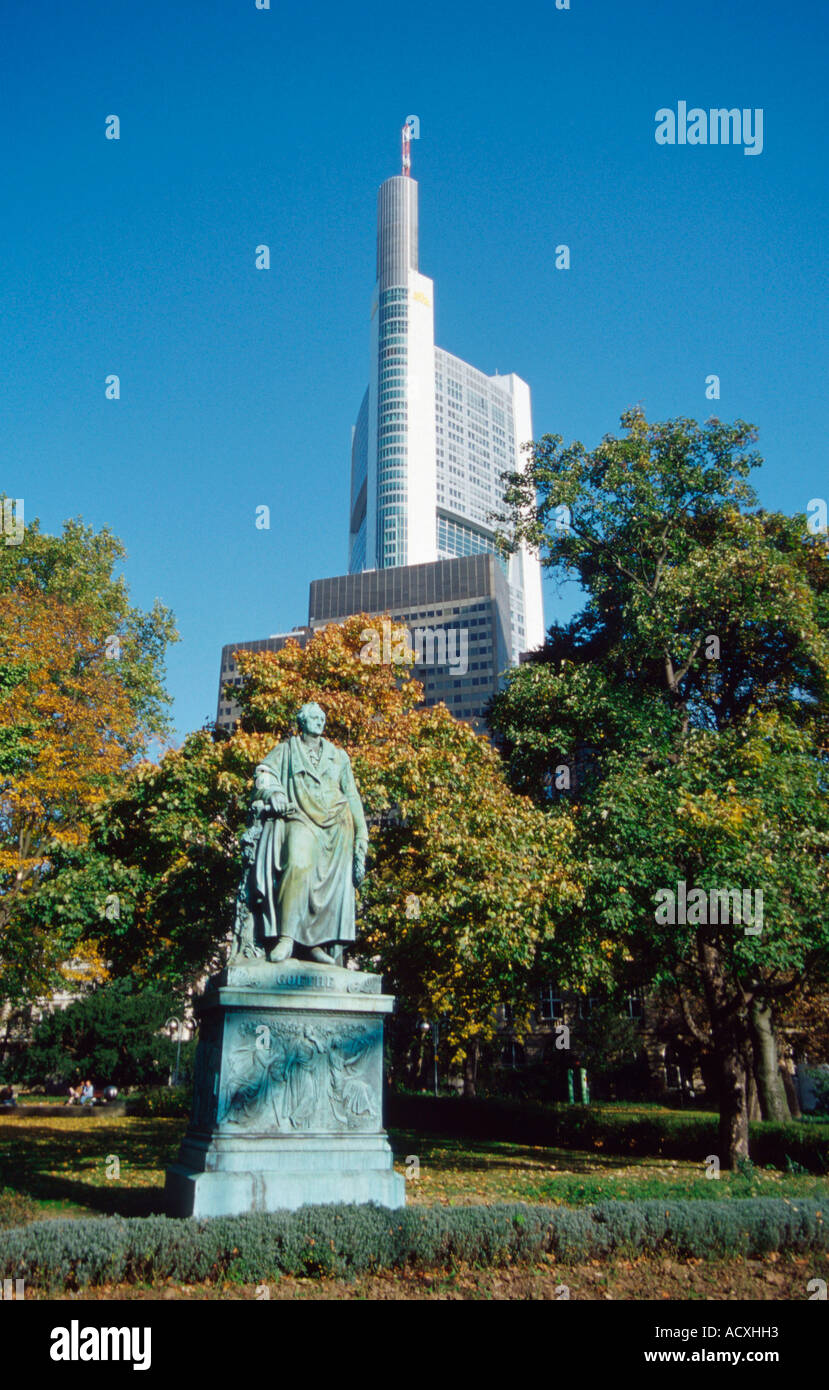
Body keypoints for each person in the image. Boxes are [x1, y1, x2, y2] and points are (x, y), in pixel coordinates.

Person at [250, 703, 368, 964]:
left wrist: (362, 834)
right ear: (301, 722)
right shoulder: (286, 750)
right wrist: (275, 793)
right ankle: (287, 937)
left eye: (322, 718)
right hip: (300, 817)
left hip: (337, 826)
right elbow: (263, 775)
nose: (319, 721)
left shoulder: (339, 756)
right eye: (314, 717)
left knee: (330, 884)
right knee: (299, 864)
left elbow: (352, 795)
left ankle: (315, 944)